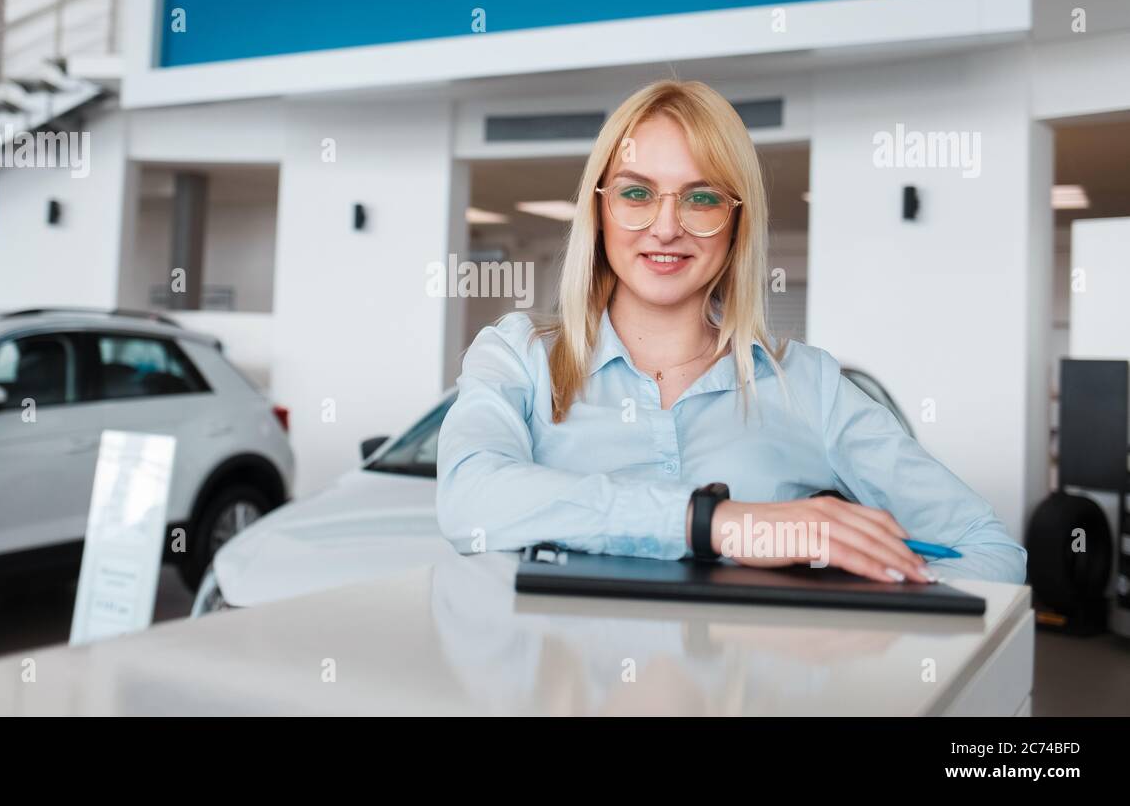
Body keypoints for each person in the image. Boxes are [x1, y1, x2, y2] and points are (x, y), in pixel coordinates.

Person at [435, 79, 1025, 585]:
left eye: (702, 198)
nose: (666, 227)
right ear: (599, 209)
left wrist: (850, 606)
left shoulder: (808, 387)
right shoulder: (517, 358)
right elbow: (471, 500)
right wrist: (718, 522)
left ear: (738, 222)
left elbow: (990, 550)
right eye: (636, 193)